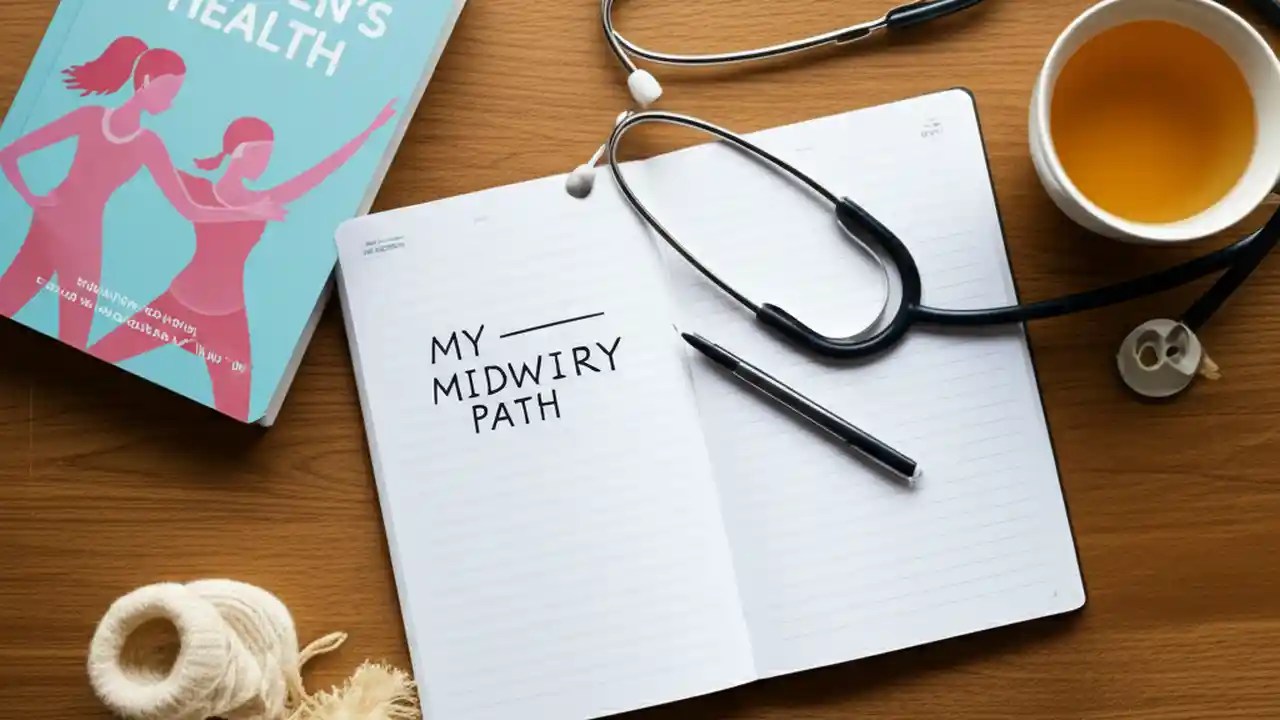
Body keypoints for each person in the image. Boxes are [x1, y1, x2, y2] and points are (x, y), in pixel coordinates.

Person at [89, 100, 398, 420]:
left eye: (268, 155)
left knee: (241, 410)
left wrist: (369, 132)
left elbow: (318, 173)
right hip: (175, 306)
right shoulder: (199, 189)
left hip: (226, 320)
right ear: (238, 153)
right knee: (98, 356)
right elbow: (147, 157)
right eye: (260, 154)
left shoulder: (263, 200)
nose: (264, 162)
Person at [0, 36, 282, 348]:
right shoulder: (98, 120)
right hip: (61, 232)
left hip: (76, 234)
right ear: (146, 80)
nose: (171, 101)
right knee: (55, 328)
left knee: (70, 337)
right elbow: (9, 154)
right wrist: (32, 199)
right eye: (169, 91)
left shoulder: (143, 141)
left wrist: (35, 200)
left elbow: (189, 209)